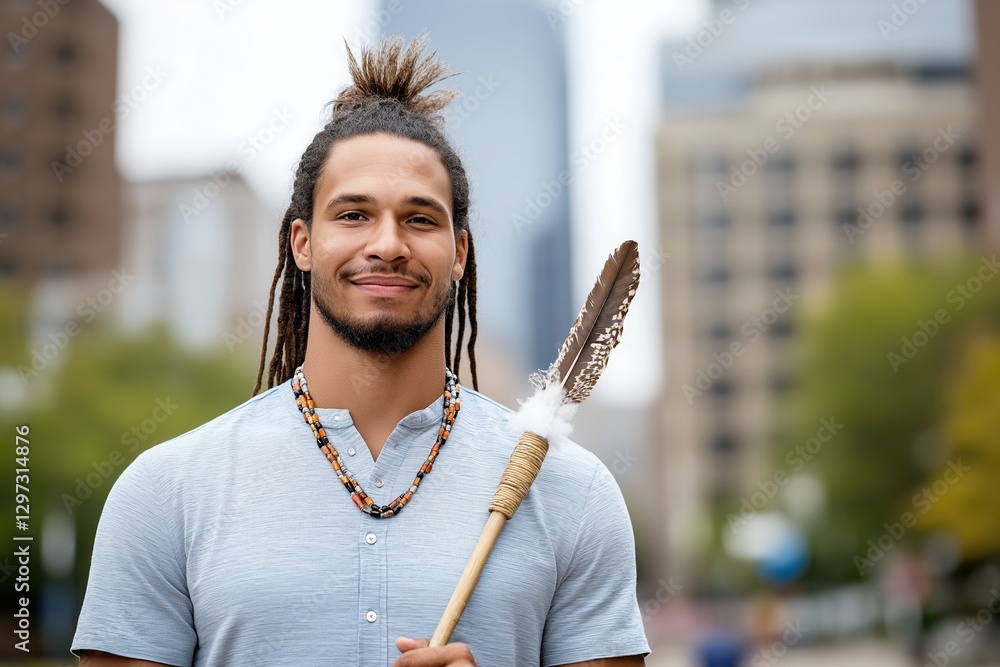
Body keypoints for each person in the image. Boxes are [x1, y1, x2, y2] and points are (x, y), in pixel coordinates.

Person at [72, 34, 650, 667]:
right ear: (301, 243)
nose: (387, 244)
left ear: (459, 252)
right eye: (352, 215)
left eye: (421, 219)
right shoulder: (165, 492)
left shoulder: (574, 492)